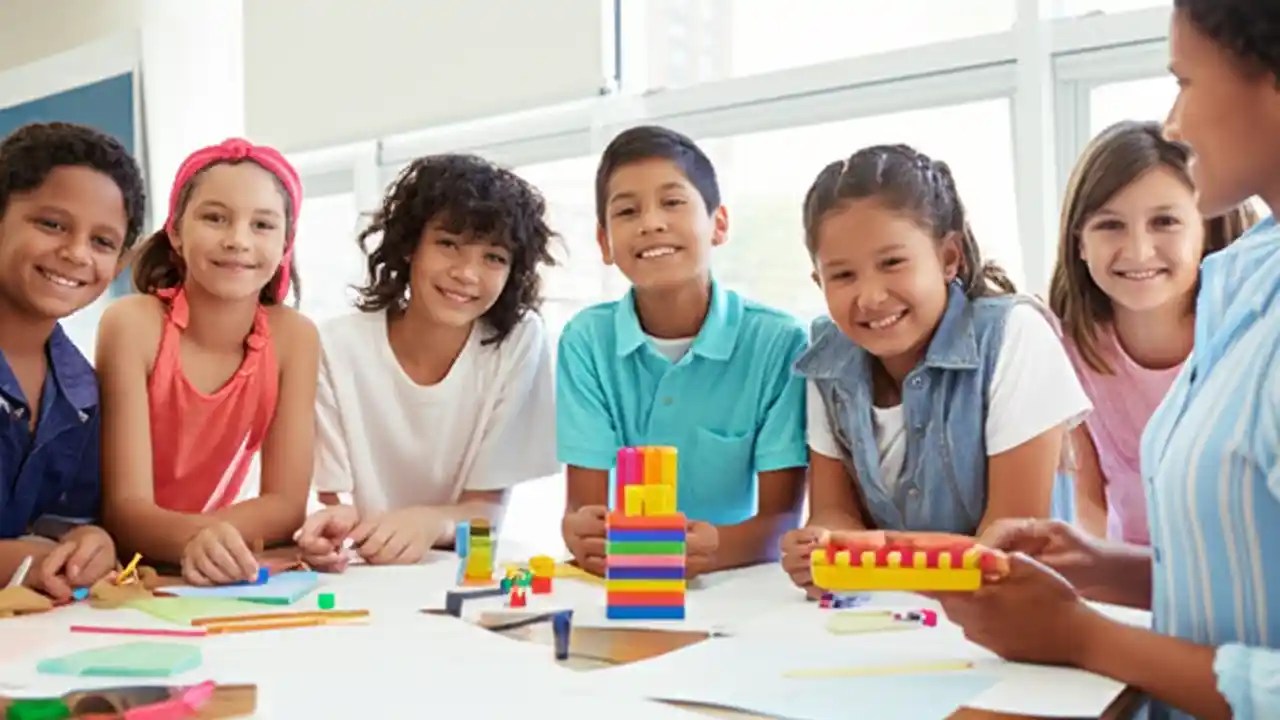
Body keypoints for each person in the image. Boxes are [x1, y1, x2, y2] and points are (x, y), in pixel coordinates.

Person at [931, 2, 1280, 719]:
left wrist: (1079, 635)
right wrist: (1104, 569)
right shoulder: (1244, 282)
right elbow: (1255, 589)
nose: (1175, 124)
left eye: (1185, 80)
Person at [780, 144, 1091, 598]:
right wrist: (818, 545)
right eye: (843, 275)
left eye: (892, 263)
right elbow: (833, 512)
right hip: (892, 617)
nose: (869, 297)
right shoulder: (827, 356)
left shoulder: (1015, 334)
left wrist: (872, 554)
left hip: (1016, 618)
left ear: (949, 257)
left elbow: (1008, 548)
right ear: (818, 282)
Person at [558, 125, 807, 578]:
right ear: (604, 243)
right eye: (627, 211)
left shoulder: (779, 343)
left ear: (719, 224)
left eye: (673, 203)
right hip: (627, 581)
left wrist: (716, 550)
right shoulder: (586, 342)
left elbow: (781, 523)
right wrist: (582, 532)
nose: (651, 222)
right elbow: (582, 508)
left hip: (734, 584)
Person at [295, 155, 558, 570]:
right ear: (409, 247)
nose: (467, 273)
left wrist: (432, 523)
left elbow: (487, 517)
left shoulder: (517, 342)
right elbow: (335, 500)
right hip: (363, 573)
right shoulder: (334, 346)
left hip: (458, 576)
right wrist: (331, 530)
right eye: (448, 244)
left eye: (494, 257)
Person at [96, 139, 319, 586]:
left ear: (285, 244)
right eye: (215, 217)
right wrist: (205, 540)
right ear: (176, 232)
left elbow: (286, 503)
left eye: (262, 224)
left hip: (203, 567)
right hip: (119, 567)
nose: (238, 240)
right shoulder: (131, 324)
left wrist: (212, 541)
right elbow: (125, 509)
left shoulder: (295, 337)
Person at [1048, 120, 1255, 544]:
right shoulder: (1066, 349)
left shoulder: (1249, 335)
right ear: (1080, 243)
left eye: (1165, 222)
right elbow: (1090, 501)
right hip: (1136, 589)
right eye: (1109, 225)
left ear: (1207, 229)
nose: (1139, 251)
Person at [0, 122, 145, 600]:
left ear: (120, 263)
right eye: (52, 224)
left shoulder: (80, 391)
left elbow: (66, 521)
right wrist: (30, 560)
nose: (76, 253)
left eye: (102, 242)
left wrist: (90, 542)